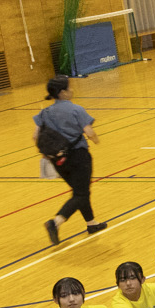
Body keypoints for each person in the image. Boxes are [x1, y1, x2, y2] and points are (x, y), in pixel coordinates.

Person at [35, 75, 103, 245]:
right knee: (81, 193)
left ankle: (91, 224)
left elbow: (36, 136)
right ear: (63, 93)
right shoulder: (75, 109)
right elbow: (89, 132)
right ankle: (56, 222)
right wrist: (95, 140)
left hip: (58, 161)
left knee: (80, 192)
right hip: (78, 156)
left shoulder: (44, 113)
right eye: (69, 88)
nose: (72, 90)